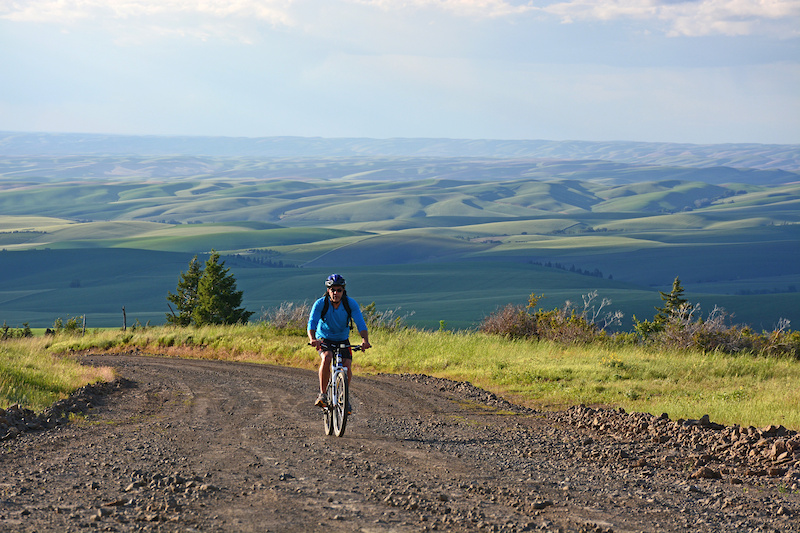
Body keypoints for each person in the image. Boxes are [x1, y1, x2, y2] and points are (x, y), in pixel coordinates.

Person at [307, 274, 371, 408]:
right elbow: (312, 322)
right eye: (333, 290)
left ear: (343, 291)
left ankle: (343, 397)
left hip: (342, 339)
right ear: (328, 290)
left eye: (339, 290)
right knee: (327, 357)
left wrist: (365, 340)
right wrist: (313, 339)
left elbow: (360, 322)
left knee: (347, 365)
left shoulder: (350, 303)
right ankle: (323, 394)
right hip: (324, 338)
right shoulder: (321, 303)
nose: (336, 293)